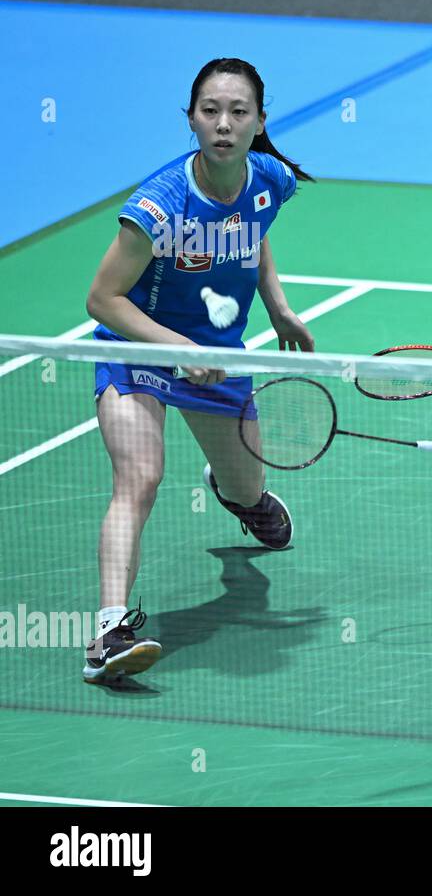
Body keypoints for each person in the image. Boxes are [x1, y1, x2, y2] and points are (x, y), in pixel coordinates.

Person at [83, 58, 315, 684]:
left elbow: (255, 229)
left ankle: (238, 494)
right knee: (141, 477)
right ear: (191, 118)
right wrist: (178, 349)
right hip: (139, 353)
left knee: (248, 491)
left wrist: (280, 308)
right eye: (210, 111)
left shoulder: (270, 179)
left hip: (221, 357)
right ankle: (107, 633)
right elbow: (102, 299)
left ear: (259, 122)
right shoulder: (158, 206)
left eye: (238, 112)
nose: (223, 124)